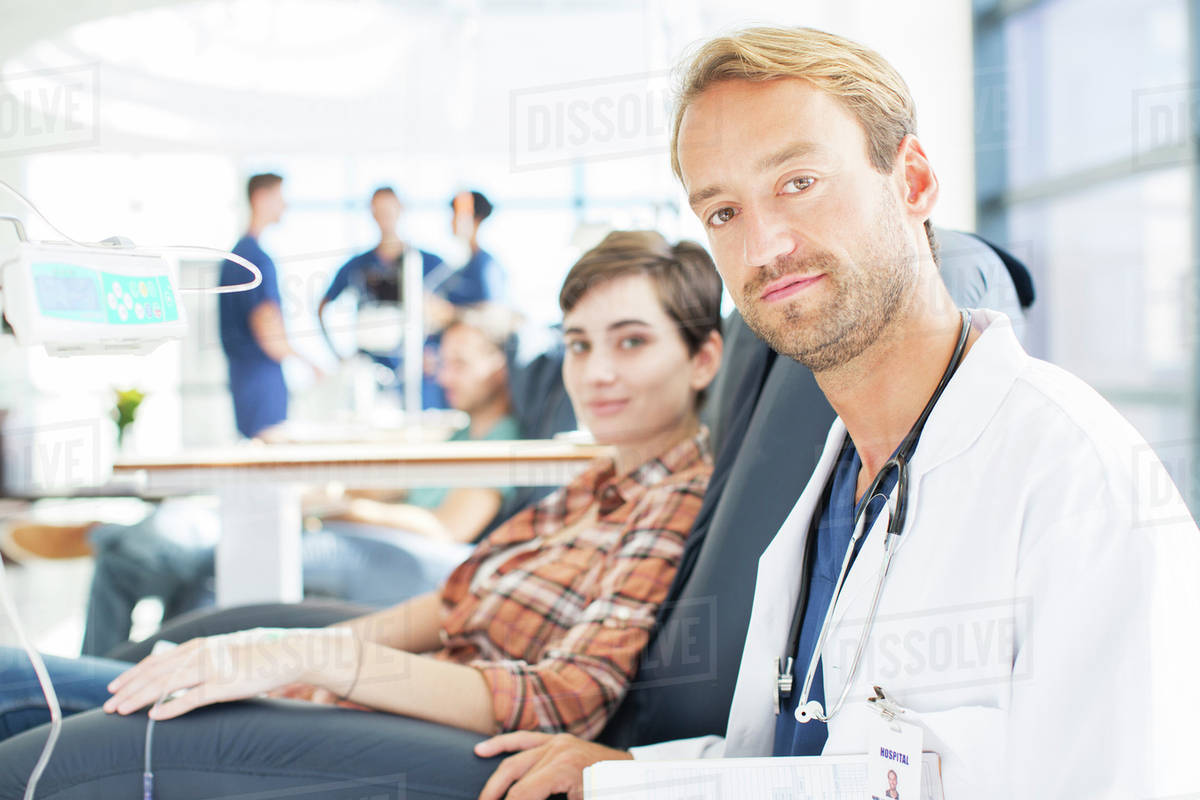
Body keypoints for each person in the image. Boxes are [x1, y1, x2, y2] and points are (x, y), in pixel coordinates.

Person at [472, 26, 1199, 800]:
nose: (763, 247)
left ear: (913, 181)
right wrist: (631, 779)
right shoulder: (831, 485)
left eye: (798, 182)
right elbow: (812, 767)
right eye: (722, 212)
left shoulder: (1079, 485)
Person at [0, 230, 723, 748]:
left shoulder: (673, 499)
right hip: (366, 698)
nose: (595, 373)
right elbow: (451, 603)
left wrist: (315, 659)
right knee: (111, 673)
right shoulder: (596, 480)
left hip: (389, 735)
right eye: (578, 343)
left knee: (18, 690)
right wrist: (281, 650)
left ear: (702, 359)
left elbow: (556, 701)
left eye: (632, 341)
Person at [0, 315, 523, 657]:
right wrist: (328, 490)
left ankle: (112, 548)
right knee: (198, 559)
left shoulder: (503, 441)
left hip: (418, 562)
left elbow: (448, 528)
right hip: (374, 539)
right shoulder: (457, 432)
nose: (445, 373)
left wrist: (345, 507)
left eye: (460, 363)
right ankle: (115, 632)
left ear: (500, 367)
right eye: (444, 360)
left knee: (223, 555)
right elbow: (388, 490)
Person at [218, 172, 320, 439]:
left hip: (245, 385)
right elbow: (269, 333)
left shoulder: (235, 256)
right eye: (279, 198)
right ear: (261, 199)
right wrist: (311, 363)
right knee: (270, 470)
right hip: (261, 387)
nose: (284, 206)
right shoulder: (256, 260)